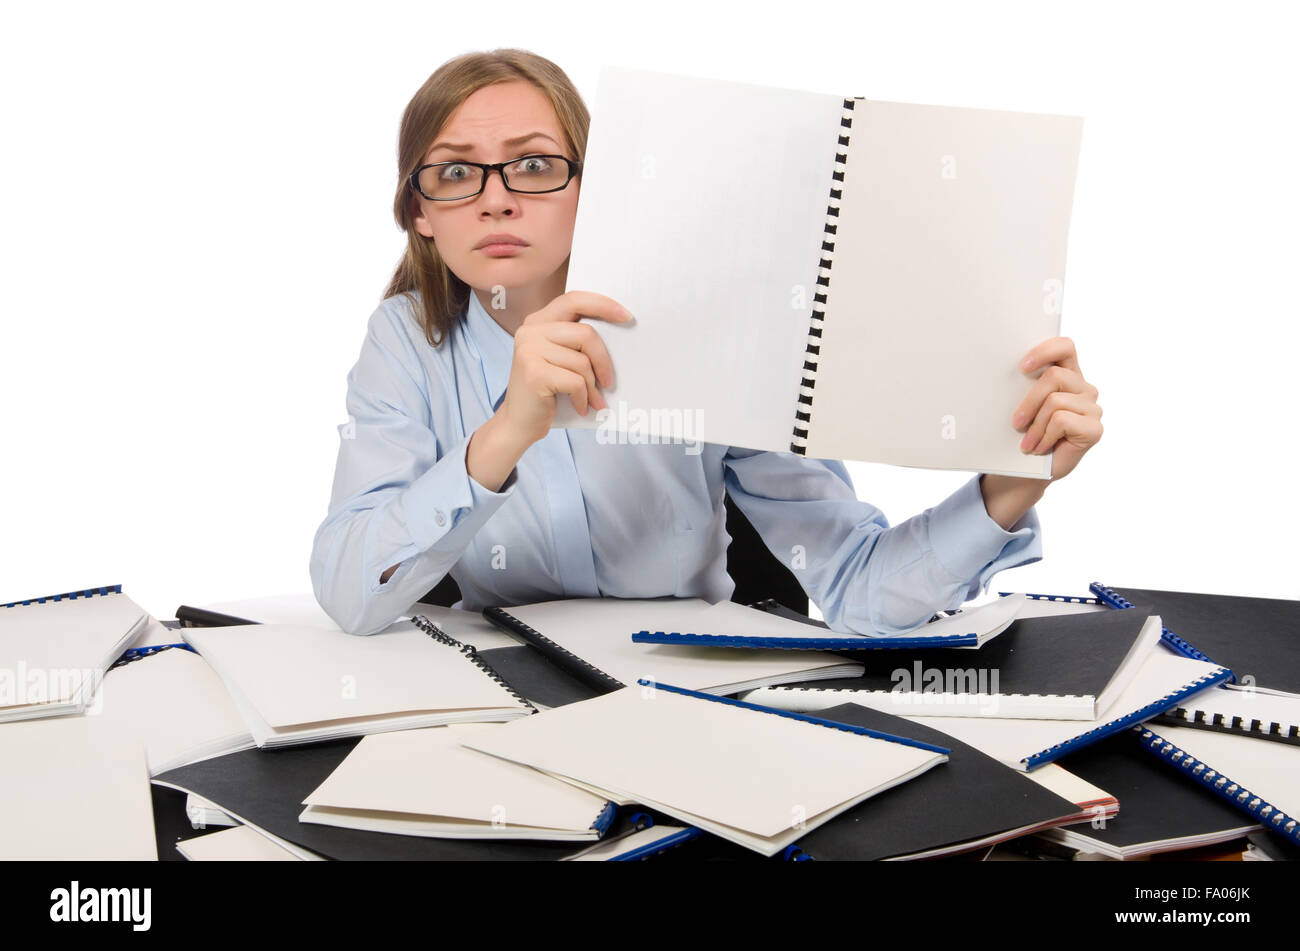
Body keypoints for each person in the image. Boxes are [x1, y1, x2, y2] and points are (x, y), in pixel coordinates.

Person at [309, 49, 1103, 637]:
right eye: (454, 174)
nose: (496, 201)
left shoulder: (711, 331)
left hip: (686, 700)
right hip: (501, 706)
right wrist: (508, 431)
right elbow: (351, 591)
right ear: (418, 210)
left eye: (535, 165)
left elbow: (860, 590)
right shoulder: (405, 341)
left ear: (598, 184)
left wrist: (1006, 490)